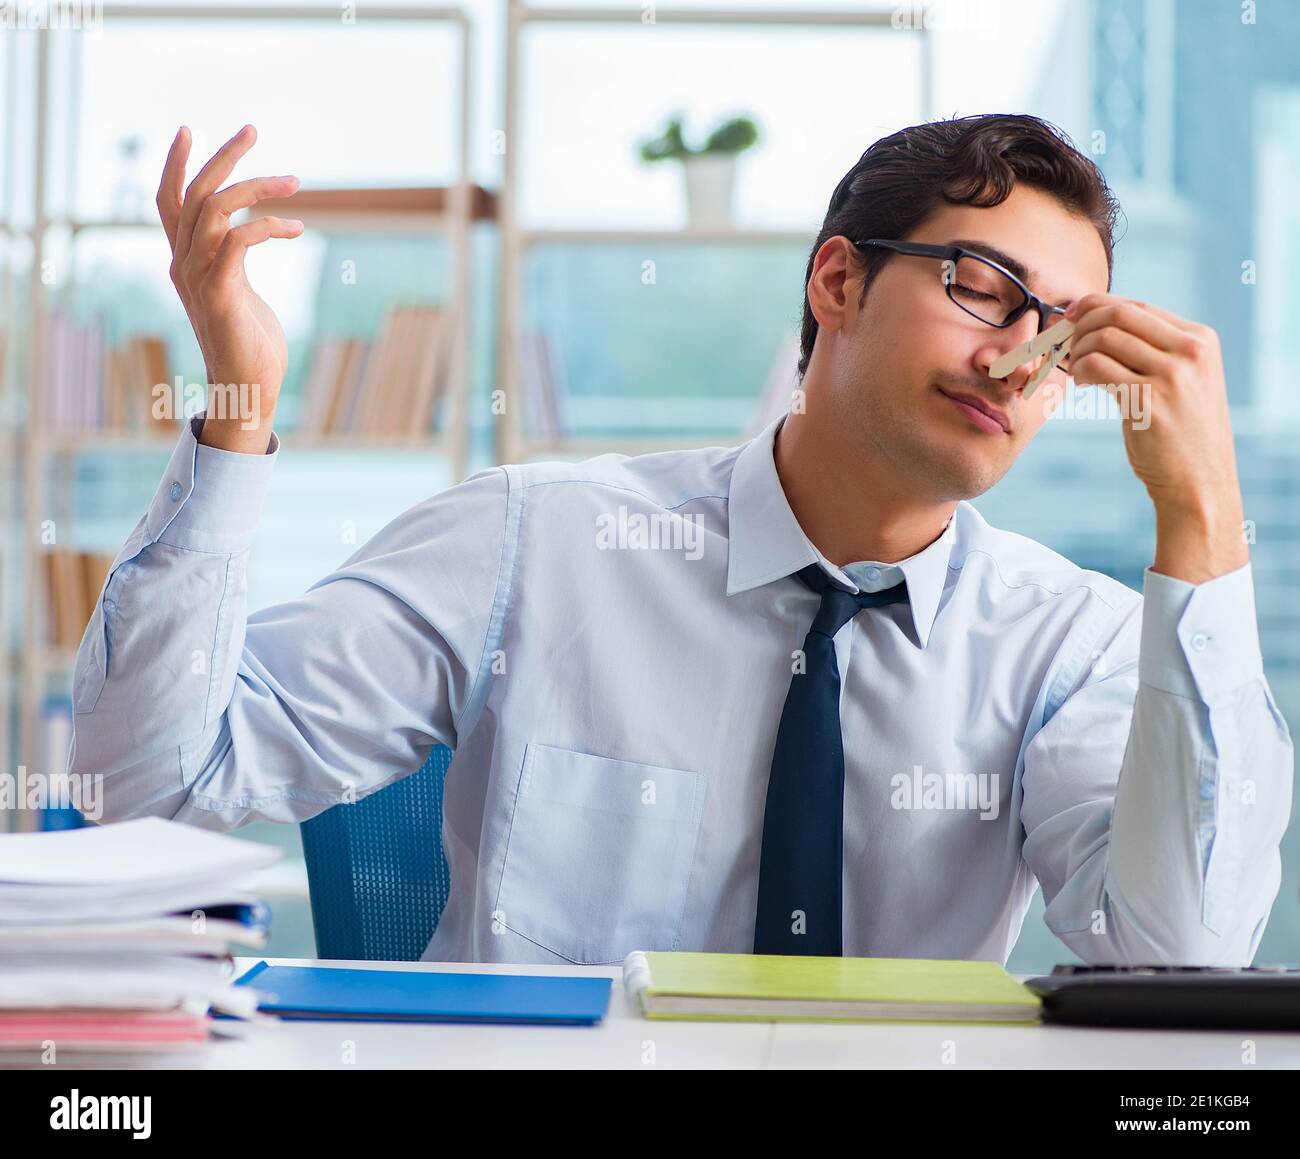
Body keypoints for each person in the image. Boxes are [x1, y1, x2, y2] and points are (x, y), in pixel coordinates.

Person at [69, 113, 1292, 967]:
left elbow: (1175, 946)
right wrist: (237, 407)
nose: (1014, 357)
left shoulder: (1066, 646)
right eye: (980, 284)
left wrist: (1202, 526)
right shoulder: (533, 546)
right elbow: (152, 782)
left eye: (1060, 330)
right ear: (835, 284)